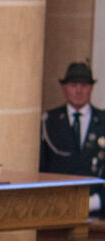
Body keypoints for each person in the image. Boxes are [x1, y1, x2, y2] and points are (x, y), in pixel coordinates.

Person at [40, 61, 105, 213]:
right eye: (73, 85)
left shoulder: (102, 121)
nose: (78, 90)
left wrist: (95, 201)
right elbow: (42, 168)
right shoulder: (49, 122)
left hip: (97, 210)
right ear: (64, 88)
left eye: (84, 85)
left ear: (91, 88)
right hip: (56, 210)